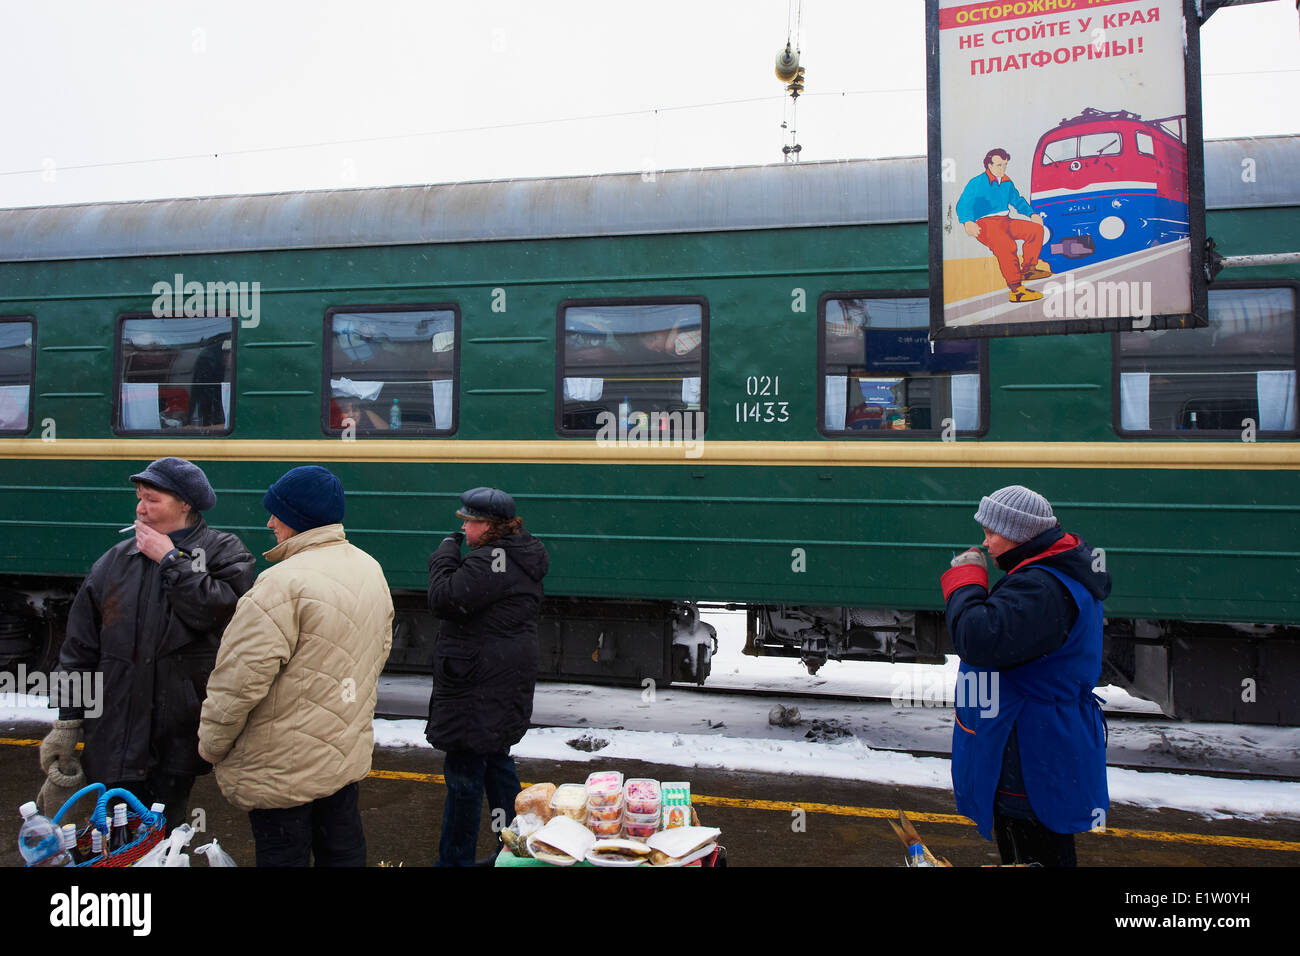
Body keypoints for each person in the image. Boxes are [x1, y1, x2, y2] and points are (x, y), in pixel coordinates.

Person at [40, 457, 255, 831]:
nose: (140, 508)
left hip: (175, 734)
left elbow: (222, 613)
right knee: (110, 838)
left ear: (185, 503)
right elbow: (79, 648)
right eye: (139, 498)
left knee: (163, 837)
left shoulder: (223, 552)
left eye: (152, 499)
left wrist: (170, 560)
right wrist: (67, 720)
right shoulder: (115, 560)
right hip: (113, 732)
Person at [198, 465, 393, 866]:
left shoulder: (280, 584)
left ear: (299, 519)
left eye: (277, 513)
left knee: (283, 856)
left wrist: (211, 745)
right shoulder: (369, 568)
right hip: (339, 755)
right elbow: (376, 653)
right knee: (343, 851)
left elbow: (237, 682)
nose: (270, 522)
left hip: (281, 768)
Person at [939, 484, 1110, 866]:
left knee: (1028, 852)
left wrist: (966, 579)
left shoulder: (1041, 586)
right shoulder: (1053, 573)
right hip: (1040, 742)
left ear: (1018, 534)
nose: (985, 543)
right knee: (1038, 849)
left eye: (991, 533)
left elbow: (977, 638)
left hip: (1028, 752)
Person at [425, 486, 549, 866]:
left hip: (476, 686)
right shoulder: (520, 553)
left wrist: (445, 552)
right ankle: (516, 849)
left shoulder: (491, 560)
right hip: (501, 681)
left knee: (464, 779)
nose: (463, 529)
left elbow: (445, 599)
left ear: (489, 526)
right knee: (496, 766)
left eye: (468, 522)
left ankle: (455, 861)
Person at [956, 148, 1051, 304]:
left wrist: (1031, 214)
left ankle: (1028, 269)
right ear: (989, 165)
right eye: (999, 165)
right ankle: (1016, 290)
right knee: (1006, 245)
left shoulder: (1006, 181)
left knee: (1035, 230)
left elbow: (1017, 200)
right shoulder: (977, 182)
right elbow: (963, 204)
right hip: (984, 224)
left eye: (1005, 165)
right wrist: (968, 221)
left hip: (1005, 221)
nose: (1003, 169)